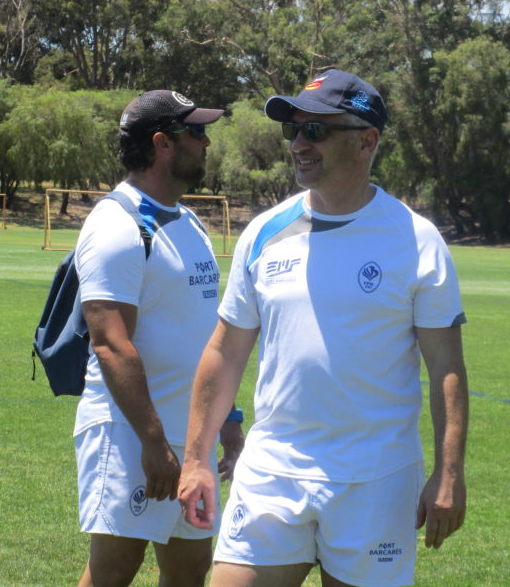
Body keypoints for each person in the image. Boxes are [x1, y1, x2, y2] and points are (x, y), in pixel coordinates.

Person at [178, 69, 469, 587]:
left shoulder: (417, 241)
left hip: (375, 480)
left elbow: (446, 367)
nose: (298, 145)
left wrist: (449, 474)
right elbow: (225, 352)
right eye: (293, 130)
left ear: (367, 141)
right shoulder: (264, 233)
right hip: (272, 470)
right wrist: (195, 458)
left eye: (315, 130)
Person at [73, 89, 244, 587]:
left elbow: (206, 335)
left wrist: (228, 420)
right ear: (161, 143)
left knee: (190, 570)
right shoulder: (117, 224)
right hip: (131, 435)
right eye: (196, 132)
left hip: (192, 439)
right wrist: (152, 443)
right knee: (114, 571)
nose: (206, 142)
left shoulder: (189, 221)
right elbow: (110, 343)